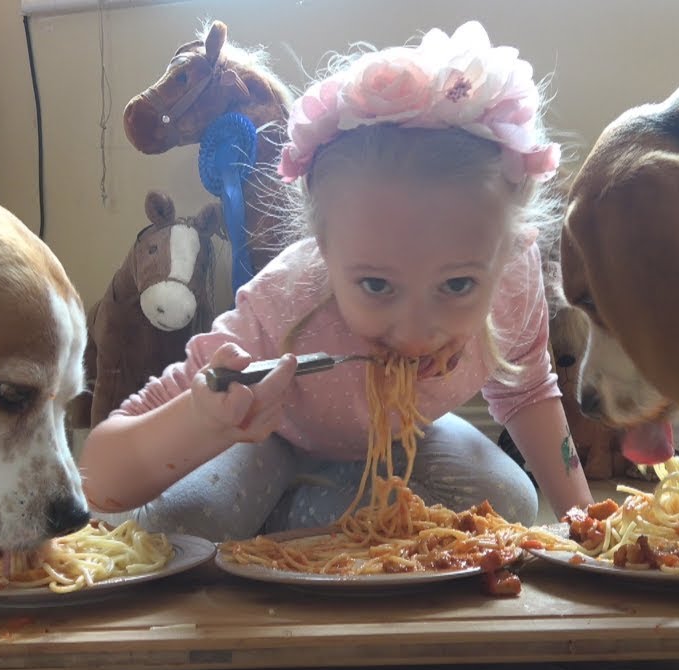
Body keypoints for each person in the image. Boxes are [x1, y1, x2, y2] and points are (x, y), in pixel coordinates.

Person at [79, 20, 593, 541]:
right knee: (181, 525)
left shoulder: (513, 276)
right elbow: (98, 475)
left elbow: (528, 394)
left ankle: (296, 522)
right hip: (268, 441)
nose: (416, 332)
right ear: (323, 252)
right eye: (376, 286)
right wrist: (199, 421)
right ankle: (302, 520)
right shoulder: (285, 301)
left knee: (508, 499)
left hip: (395, 445)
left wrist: (587, 526)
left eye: (457, 285)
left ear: (507, 250)